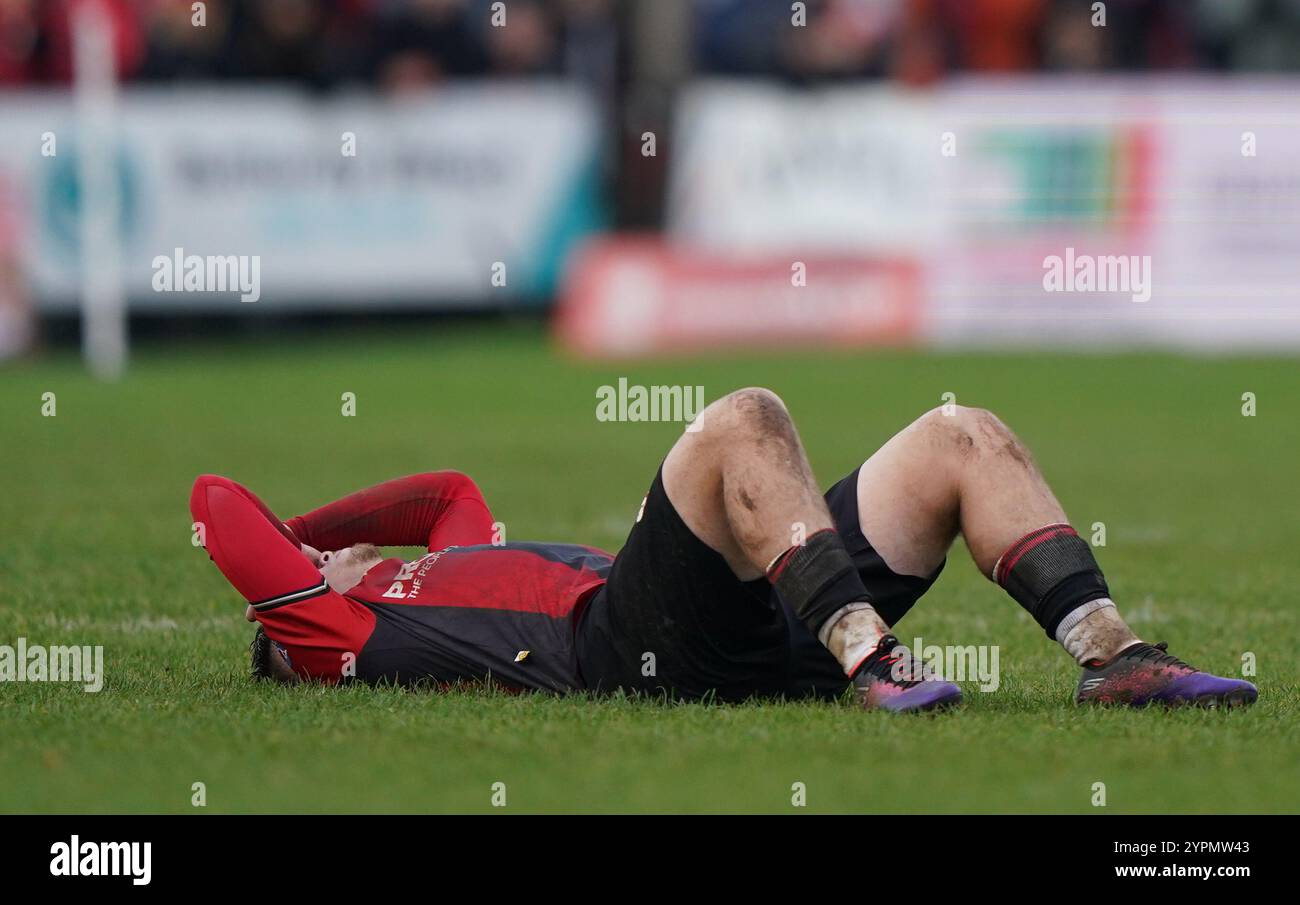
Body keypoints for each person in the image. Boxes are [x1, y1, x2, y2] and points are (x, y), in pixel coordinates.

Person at [191, 388, 1257, 712]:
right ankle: (869, 658)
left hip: (748, 611)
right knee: (743, 420)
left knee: (957, 434)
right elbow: (214, 501)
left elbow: (448, 493)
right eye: (288, 580)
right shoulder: (324, 629)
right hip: (631, 648)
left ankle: (1112, 653)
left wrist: (320, 535)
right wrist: (299, 563)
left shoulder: (396, 570)